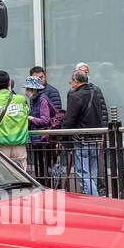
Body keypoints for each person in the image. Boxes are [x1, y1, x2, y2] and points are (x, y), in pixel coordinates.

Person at [61, 68, 108, 196]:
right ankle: (94, 196)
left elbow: (69, 119)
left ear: (76, 81)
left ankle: (93, 200)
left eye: (71, 81)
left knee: (83, 173)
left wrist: (62, 138)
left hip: (82, 140)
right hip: (97, 138)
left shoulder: (75, 96)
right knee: (92, 174)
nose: (70, 84)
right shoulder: (96, 94)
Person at [0, 69, 30, 168]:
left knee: (3, 177)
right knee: (22, 178)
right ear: (9, 83)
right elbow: (26, 113)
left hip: (1, 146)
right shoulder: (21, 99)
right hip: (19, 145)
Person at [24, 74, 55, 184]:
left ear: (34, 89)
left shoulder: (42, 100)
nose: (26, 92)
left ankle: (46, 186)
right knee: (39, 167)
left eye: (28, 89)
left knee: (44, 167)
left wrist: (30, 118)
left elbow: (45, 120)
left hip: (44, 140)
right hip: (37, 139)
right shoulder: (34, 100)